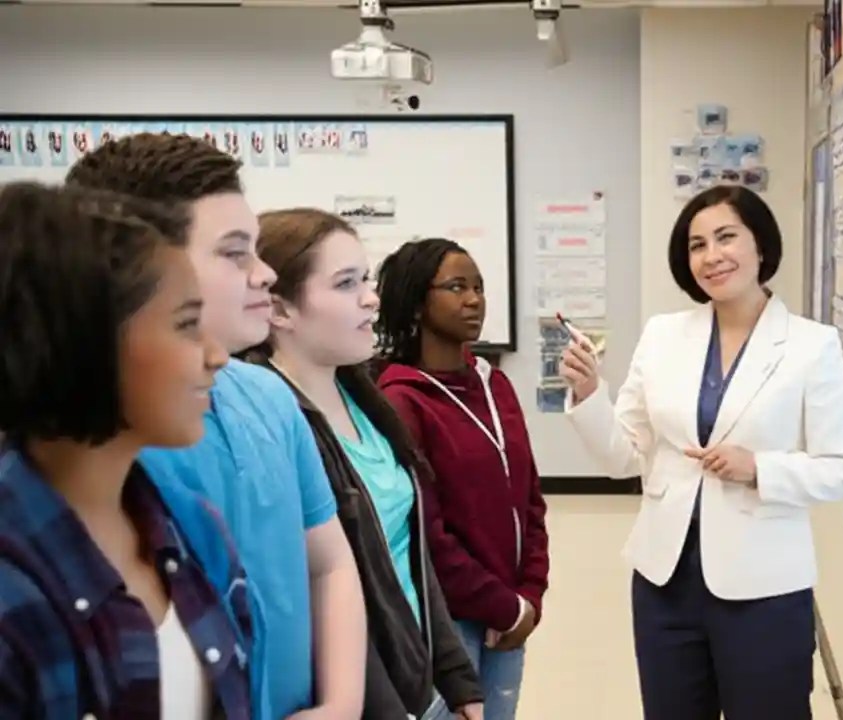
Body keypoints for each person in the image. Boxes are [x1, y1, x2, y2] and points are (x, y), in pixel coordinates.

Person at [66, 133, 367, 719]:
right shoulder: (103, 441)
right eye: (234, 254)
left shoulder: (270, 400)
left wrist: (339, 704)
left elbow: (328, 561)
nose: (265, 274)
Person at [558, 185, 843, 719]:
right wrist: (588, 395)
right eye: (697, 245)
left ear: (760, 245)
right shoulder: (663, 336)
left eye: (726, 237)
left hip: (763, 589)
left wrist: (760, 468)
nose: (711, 256)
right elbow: (623, 457)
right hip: (666, 583)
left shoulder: (811, 346)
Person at [0, 182, 251, 718]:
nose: (216, 356)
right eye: (187, 324)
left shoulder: (194, 528)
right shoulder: (13, 584)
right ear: (86, 336)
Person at [244, 208, 485, 719]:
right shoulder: (272, 427)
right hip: (365, 701)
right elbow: (317, 595)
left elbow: (409, 553)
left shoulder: (365, 395)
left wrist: (456, 677)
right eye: (346, 283)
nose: (372, 298)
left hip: (419, 685)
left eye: (367, 279)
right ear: (280, 309)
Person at [374, 238, 550, 720]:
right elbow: (425, 531)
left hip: (510, 617)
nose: (474, 300)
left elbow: (530, 500)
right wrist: (503, 605)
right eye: (456, 287)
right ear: (417, 302)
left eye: (479, 287)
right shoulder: (400, 399)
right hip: (448, 620)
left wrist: (529, 598)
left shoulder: (496, 386)